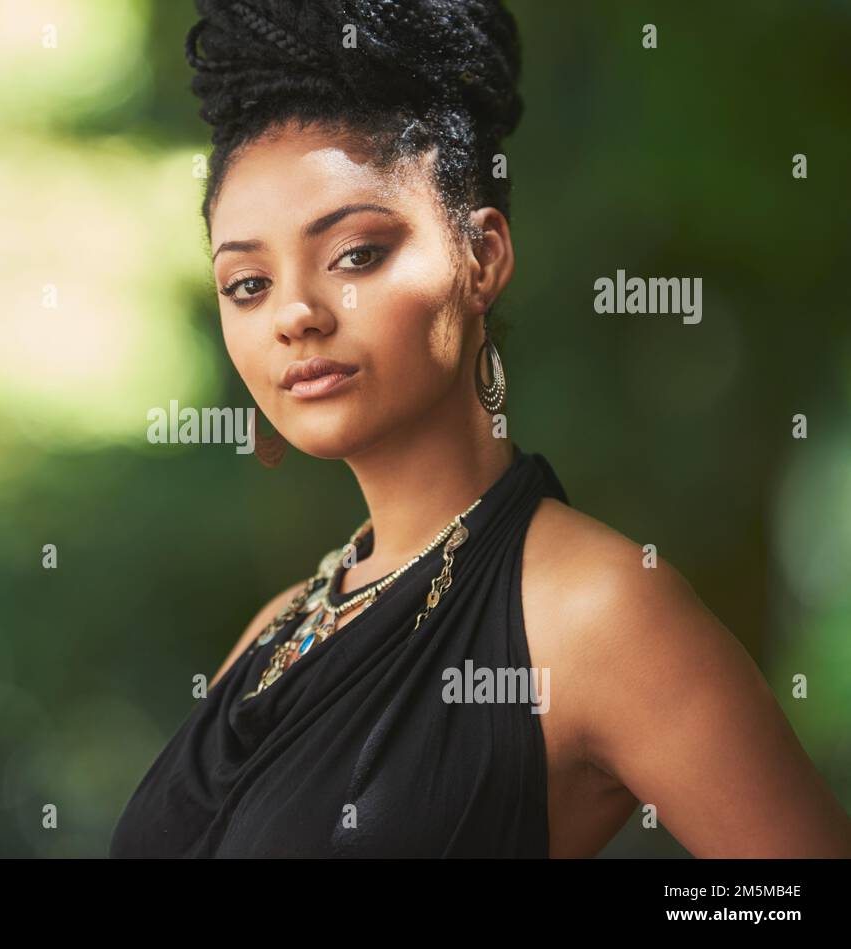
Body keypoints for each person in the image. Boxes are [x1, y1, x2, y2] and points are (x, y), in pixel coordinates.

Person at [109, 0, 851, 857]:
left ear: (482, 256)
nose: (296, 315)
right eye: (247, 283)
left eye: (355, 254)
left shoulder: (597, 612)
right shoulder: (282, 623)